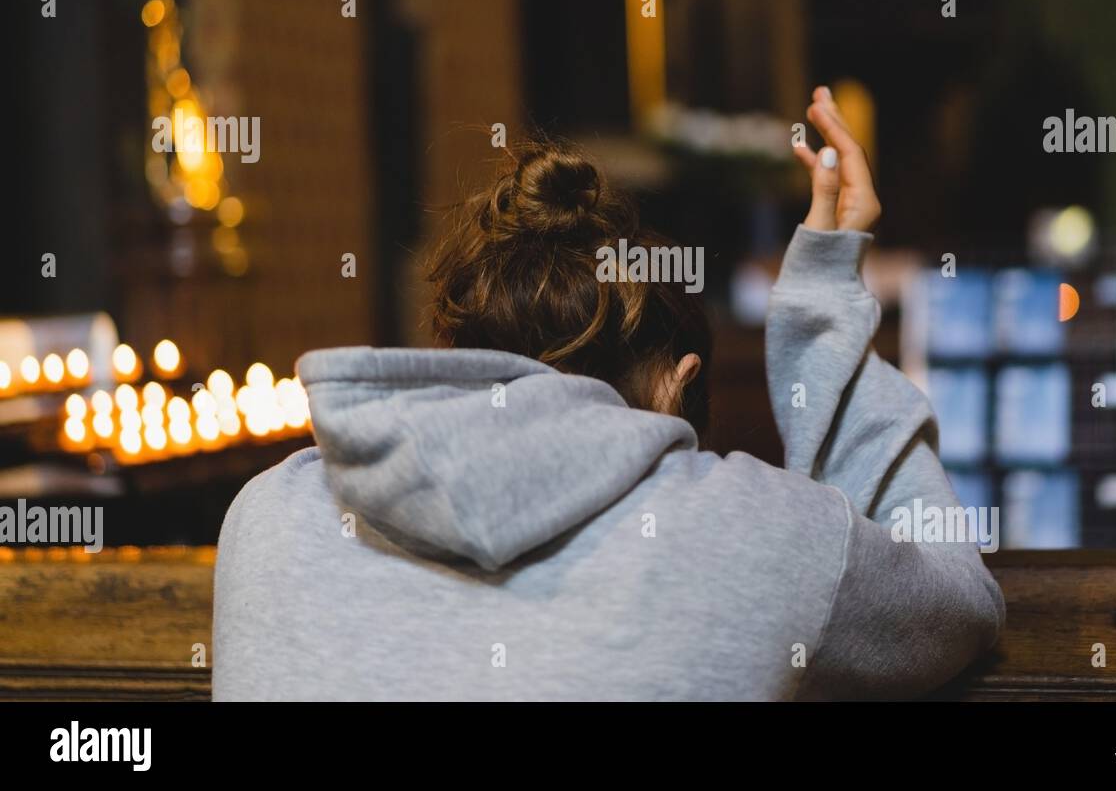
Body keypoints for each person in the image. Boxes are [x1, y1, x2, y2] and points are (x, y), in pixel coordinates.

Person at [213, 87, 1004, 700]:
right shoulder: (752, 538)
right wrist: (825, 301)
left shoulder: (266, 523)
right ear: (676, 383)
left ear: (458, 357)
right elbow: (956, 598)